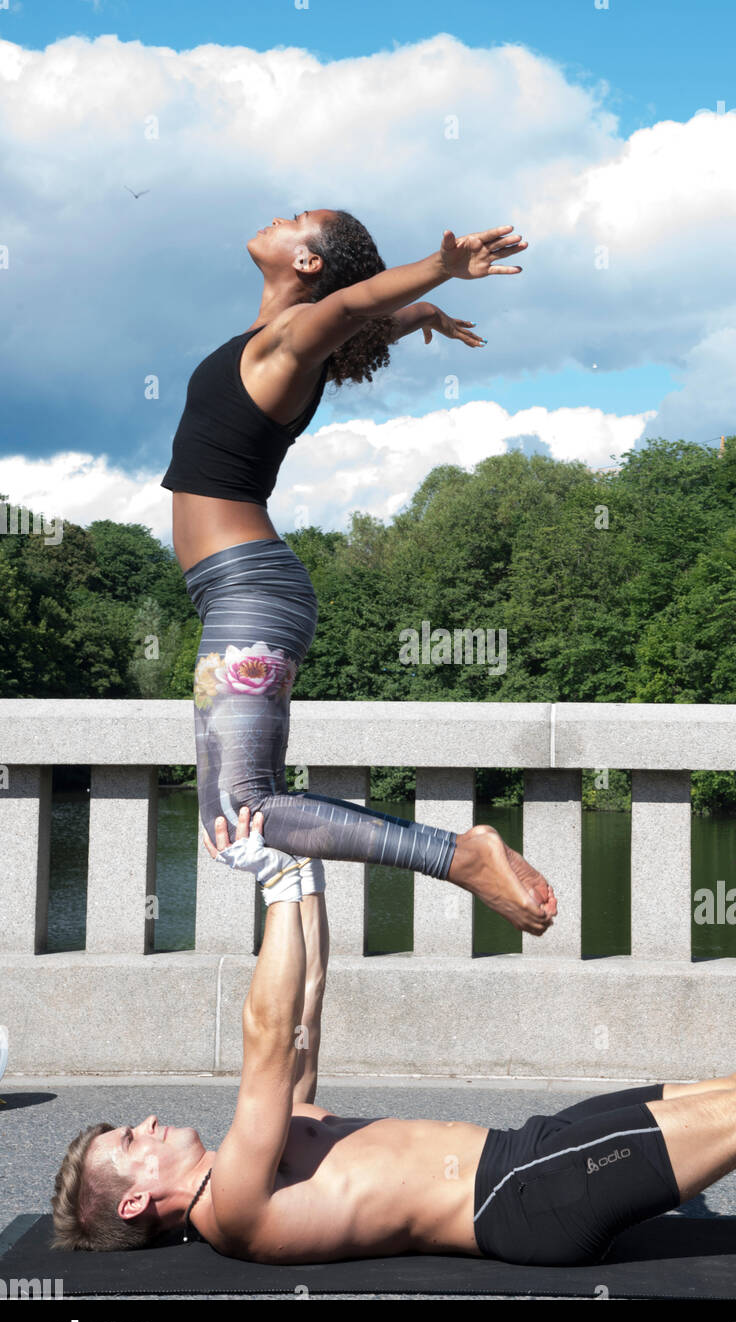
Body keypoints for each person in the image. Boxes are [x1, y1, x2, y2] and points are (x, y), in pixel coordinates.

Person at [52, 810, 736, 1264]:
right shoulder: (231, 1205)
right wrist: (274, 887)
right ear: (135, 1201)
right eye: (132, 1140)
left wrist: (298, 864)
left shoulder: (260, 1154)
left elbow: (303, 1007)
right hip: (528, 1199)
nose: (151, 1125)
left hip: (532, 1154)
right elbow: (265, 1041)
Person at [160, 208, 555, 936]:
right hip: (236, 592)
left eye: (298, 221)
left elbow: (351, 306)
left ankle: (459, 855)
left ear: (309, 264)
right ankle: (457, 854)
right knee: (240, 813)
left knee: (242, 809)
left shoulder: (290, 339)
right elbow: (366, 320)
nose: (279, 217)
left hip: (250, 590)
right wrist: (426, 311)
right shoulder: (293, 346)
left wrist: (439, 270)